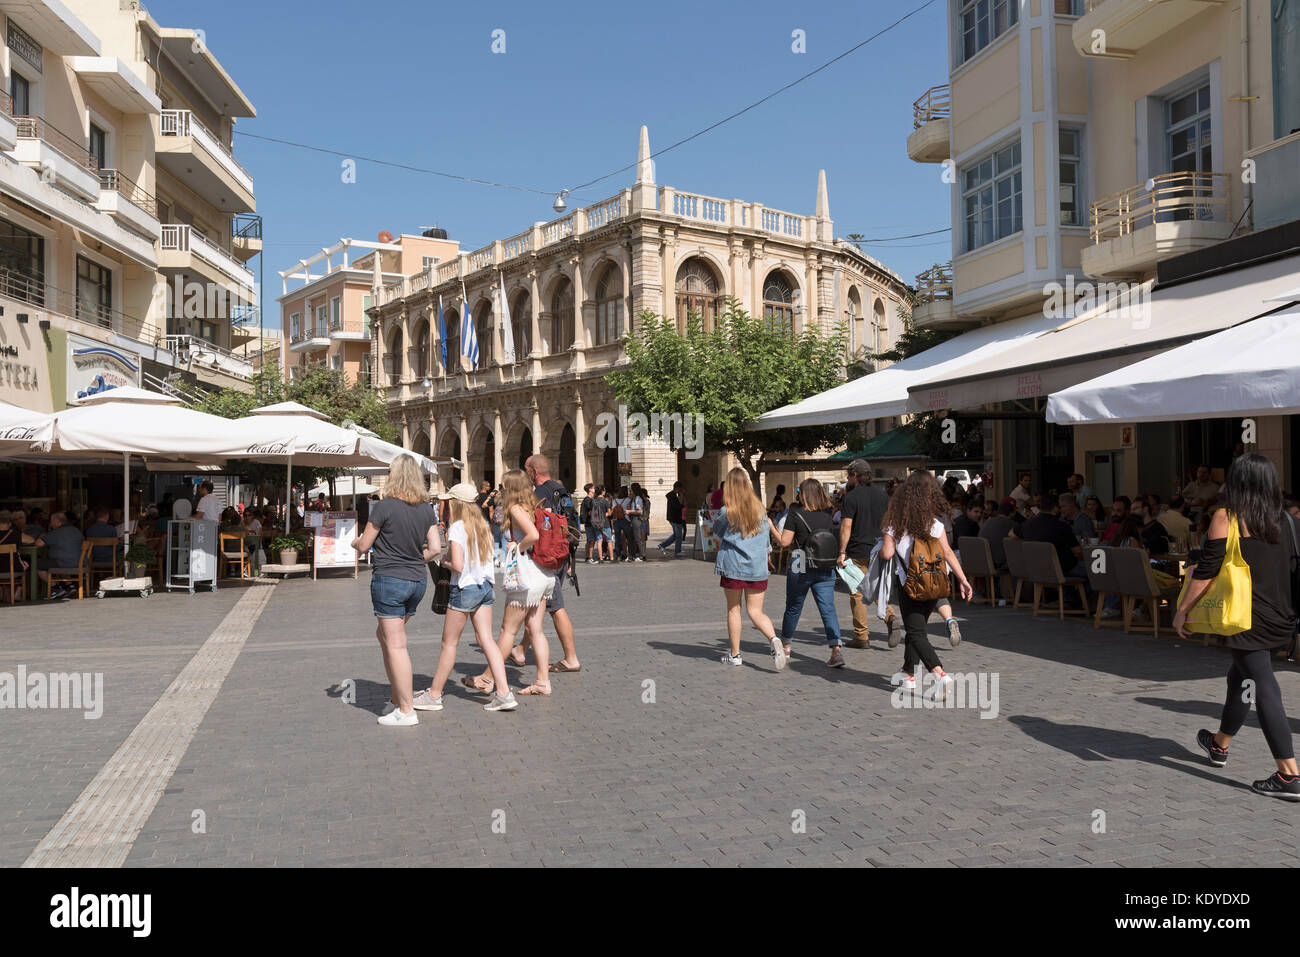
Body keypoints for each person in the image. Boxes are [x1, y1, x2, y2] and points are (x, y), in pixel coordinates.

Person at [1174, 454, 1300, 800]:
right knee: (1241, 678)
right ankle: (1219, 744)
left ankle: (1289, 774)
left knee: (1263, 685)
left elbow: (1207, 570)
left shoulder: (1227, 518)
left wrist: (1182, 609)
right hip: (1283, 618)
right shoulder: (1288, 521)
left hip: (1246, 618)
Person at [349, 455, 441, 727]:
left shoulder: (384, 507)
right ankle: (395, 696)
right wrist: (414, 559)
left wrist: (354, 542)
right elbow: (435, 548)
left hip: (390, 579)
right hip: (417, 581)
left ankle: (406, 710)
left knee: (396, 644)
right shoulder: (426, 508)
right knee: (386, 636)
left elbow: (365, 545)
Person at [414, 483, 517, 714]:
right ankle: (503, 693)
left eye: (450, 500)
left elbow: (458, 565)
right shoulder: (482, 525)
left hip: (465, 589)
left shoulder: (458, 527)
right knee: (487, 640)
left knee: (449, 644)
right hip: (485, 586)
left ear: (458, 503)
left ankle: (434, 695)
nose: (448, 504)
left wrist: (444, 561)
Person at [881, 471, 973, 699]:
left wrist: (884, 542)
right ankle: (908, 674)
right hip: (934, 583)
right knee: (917, 629)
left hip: (909, 584)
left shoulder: (895, 523)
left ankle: (939, 674)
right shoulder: (935, 524)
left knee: (915, 632)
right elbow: (949, 553)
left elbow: (887, 554)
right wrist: (963, 580)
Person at [468, 468, 555, 697]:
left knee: (508, 631)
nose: (501, 490)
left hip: (526, 579)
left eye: (504, 486)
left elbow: (533, 535)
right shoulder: (534, 506)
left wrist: (517, 547)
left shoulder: (516, 508)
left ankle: (487, 679)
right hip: (543, 576)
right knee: (536, 630)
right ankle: (543, 681)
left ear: (512, 488)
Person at [713, 467, 784, 669]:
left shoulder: (727, 512)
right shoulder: (760, 511)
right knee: (756, 612)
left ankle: (735, 655)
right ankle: (773, 639)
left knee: (734, 610)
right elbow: (765, 541)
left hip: (734, 566)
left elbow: (717, 532)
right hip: (757, 567)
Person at [525, 454, 582, 674]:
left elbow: (541, 527)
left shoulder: (539, 494)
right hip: (561, 554)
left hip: (546, 557)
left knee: (555, 608)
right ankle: (521, 650)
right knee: (536, 606)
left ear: (533, 472)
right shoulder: (562, 490)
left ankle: (571, 658)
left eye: (527, 471)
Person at [778, 479, 844, 668]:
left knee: (793, 607)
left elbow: (784, 542)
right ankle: (836, 650)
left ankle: (787, 645)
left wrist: (772, 528)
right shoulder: (827, 513)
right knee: (828, 609)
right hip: (824, 565)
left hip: (800, 562)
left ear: (803, 494)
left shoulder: (795, 513)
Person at [838, 459, 891, 649]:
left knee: (858, 591)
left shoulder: (850, 497)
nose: (846, 477)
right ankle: (890, 616)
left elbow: (846, 526)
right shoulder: (883, 496)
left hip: (858, 549)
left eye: (848, 474)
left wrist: (842, 551)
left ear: (855, 476)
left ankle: (861, 637)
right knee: (876, 588)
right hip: (879, 547)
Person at [1012, 492, 1084, 579]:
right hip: (1062, 570)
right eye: (1059, 507)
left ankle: (1065, 592)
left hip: (1036, 571)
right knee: (1096, 571)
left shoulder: (1027, 524)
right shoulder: (1062, 526)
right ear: (1055, 508)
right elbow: (1078, 551)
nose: (1060, 510)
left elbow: (1011, 533)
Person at [35, 512, 85, 600]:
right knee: (59, 560)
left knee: (37, 564)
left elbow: (38, 543)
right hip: (80, 562)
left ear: (57, 522)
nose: (50, 524)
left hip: (64, 563)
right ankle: (70, 586)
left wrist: (43, 534)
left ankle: (56, 588)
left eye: (51, 522)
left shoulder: (56, 532)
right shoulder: (76, 530)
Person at [658, 481, 687, 558]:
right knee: (679, 536)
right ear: (677, 488)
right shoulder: (672, 496)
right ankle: (677, 551)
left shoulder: (673, 495)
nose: (681, 490)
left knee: (675, 535)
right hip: (675, 518)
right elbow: (678, 506)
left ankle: (662, 545)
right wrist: (682, 496)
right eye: (680, 489)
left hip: (673, 518)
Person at [587, 485, 611, 563]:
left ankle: (600, 558)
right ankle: (612, 558)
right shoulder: (605, 501)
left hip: (596, 523)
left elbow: (590, 512)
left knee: (599, 540)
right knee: (609, 540)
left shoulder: (593, 501)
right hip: (605, 523)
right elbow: (609, 513)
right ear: (603, 491)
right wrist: (604, 516)